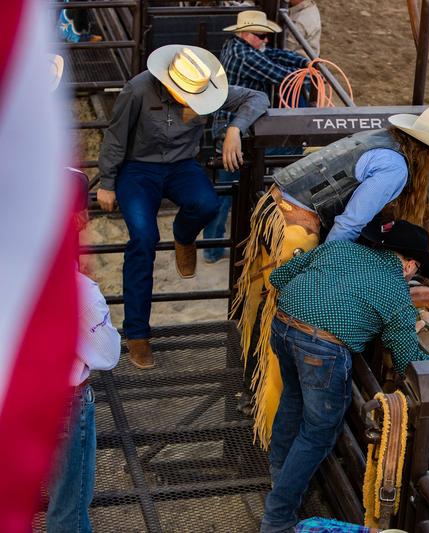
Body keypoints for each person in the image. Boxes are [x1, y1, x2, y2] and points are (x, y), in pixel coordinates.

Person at [234, 106, 429, 447]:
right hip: (296, 228)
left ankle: (256, 399)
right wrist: (327, 270)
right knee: (284, 312)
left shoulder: (384, 141)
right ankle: (267, 426)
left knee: (268, 303)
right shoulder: (395, 169)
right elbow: (349, 223)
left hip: (277, 209)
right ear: (427, 150)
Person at [261, 218, 429, 533]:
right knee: (318, 432)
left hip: (282, 326)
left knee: (293, 398)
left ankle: (279, 475)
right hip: (322, 350)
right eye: (416, 270)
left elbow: (279, 277)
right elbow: (405, 359)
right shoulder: (395, 290)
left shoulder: (338, 248)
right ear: (409, 265)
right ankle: (277, 519)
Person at [96, 45, 268, 369]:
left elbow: (257, 98)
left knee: (207, 203)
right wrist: (107, 182)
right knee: (143, 240)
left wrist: (235, 128)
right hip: (138, 169)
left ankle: (183, 236)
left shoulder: (209, 85)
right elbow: (115, 136)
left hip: (181, 165)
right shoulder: (137, 90)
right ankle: (137, 334)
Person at [46, 170, 121, 533]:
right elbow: (107, 355)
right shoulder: (78, 290)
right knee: (68, 509)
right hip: (61, 402)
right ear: (78, 218)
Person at [203, 9, 311, 264]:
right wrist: (305, 70)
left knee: (228, 187)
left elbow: (275, 55)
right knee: (290, 152)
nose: (265, 41)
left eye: (266, 36)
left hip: (239, 129)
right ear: (245, 34)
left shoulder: (238, 47)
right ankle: (221, 242)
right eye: (261, 36)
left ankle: (213, 246)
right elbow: (280, 74)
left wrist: (303, 62)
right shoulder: (244, 55)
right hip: (237, 130)